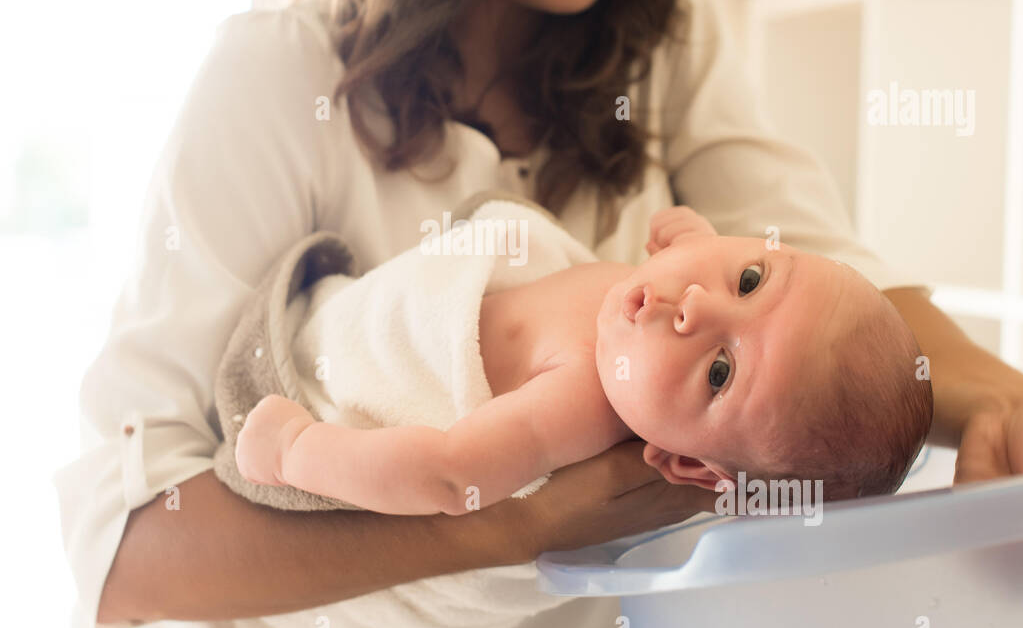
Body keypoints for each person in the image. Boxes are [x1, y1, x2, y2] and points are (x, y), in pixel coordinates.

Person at [53, 0, 1023, 628]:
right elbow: (125, 558)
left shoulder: (669, 46)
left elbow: (830, 288)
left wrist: (1009, 402)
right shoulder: (276, 84)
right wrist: (514, 528)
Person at [236, 204, 933, 514]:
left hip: (312, 374)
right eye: (750, 279)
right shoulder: (660, 309)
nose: (696, 304)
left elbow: (448, 477)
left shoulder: (578, 403)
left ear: (686, 462)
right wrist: (698, 240)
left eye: (721, 371)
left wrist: (297, 450)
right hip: (341, 295)